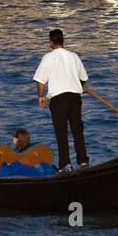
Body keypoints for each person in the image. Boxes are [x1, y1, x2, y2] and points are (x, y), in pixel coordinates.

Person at [33, 29, 90, 172]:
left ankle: (65, 164)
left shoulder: (48, 57)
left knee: (61, 132)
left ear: (51, 42)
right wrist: (80, 86)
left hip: (58, 99)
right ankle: (83, 161)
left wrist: (41, 96)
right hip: (74, 97)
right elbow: (83, 78)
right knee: (77, 130)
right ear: (63, 41)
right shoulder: (74, 56)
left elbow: (40, 80)